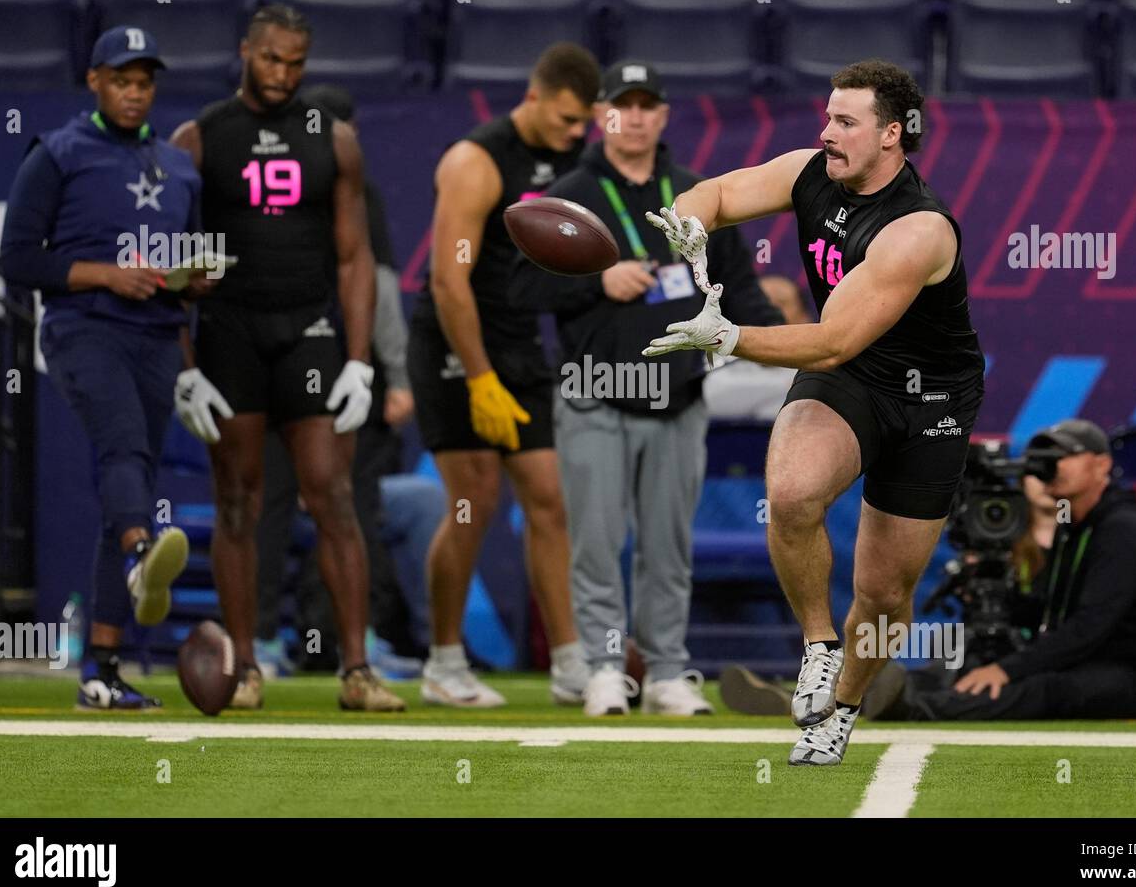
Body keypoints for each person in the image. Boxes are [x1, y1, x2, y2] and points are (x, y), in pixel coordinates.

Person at [641, 60, 985, 765]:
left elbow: (831, 341)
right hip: (855, 379)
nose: (827, 133)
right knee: (793, 493)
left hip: (929, 399)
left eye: (846, 122)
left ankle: (845, 709)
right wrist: (690, 223)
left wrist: (730, 337)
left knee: (885, 592)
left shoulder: (919, 230)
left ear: (892, 135)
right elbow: (721, 190)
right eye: (828, 117)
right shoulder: (812, 173)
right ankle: (819, 647)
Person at [509, 60, 782, 716]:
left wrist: (808, 347)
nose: (633, 118)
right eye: (621, 106)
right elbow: (518, 290)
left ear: (663, 116)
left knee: (667, 547)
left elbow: (741, 291)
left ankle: (665, 671)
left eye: (645, 106)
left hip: (678, 396)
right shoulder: (568, 194)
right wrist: (593, 282)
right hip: (594, 391)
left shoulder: (696, 194)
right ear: (604, 115)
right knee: (598, 544)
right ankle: (605, 667)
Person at [168, 4, 403, 711]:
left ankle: (357, 671)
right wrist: (184, 367)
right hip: (231, 333)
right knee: (237, 501)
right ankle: (245, 668)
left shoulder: (334, 139)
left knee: (333, 495)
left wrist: (361, 361)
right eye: (271, 59)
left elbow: (356, 257)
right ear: (246, 51)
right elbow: (175, 260)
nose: (282, 75)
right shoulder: (199, 139)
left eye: (295, 63)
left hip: (309, 331)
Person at [0, 26, 202, 709]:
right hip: (85, 328)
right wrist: (104, 276)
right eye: (122, 79)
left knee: (132, 478)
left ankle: (101, 670)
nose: (134, 92)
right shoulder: (58, 153)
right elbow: (19, 257)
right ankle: (143, 552)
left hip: (157, 334)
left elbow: (192, 258)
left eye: (144, 82)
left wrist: (194, 281)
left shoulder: (179, 168)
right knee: (124, 448)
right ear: (94, 81)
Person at [406, 43, 600, 707]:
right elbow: (446, 280)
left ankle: (571, 663)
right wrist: (480, 379)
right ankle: (444, 661)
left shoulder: (574, 158)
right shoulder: (475, 161)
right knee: (474, 498)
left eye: (584, 124)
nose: (577, 134)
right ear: (535, 95)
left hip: (518, 340)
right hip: (452, 340)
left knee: (549, 498)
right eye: (568, 119)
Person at [250, 83, 425, 680]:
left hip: (285, 363)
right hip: (346, 370)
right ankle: (349, 641)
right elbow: (375, 295)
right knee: (347, 506)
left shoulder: (270, 187)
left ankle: (278, 642)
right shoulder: (356, 188)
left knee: (275, 506)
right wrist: (396, 374)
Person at [862, 419, 1136, 721]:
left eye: (1064, 454)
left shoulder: (1124, 530)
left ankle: (917, 709)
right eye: (1045, 455)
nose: (1051, 464)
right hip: (1092, 660)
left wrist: (1006, 670)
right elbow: (1052, 608)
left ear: (1102, 464)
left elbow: (1090, 626)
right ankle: (872, 692)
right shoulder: (1073, 527)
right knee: (983, 660)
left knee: (1046, 686)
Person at [719, 470, 1059, 715]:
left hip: (1036, 657)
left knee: (956, 688)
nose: (1047, 480)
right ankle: (806, 696)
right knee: (935, 672)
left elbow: (1083, 620)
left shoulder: (1085, 534)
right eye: (1039, 470)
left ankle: (885, 703)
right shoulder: (1001, 536)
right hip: (982, 651)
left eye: (1056, 467)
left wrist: (1008, 668)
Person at [702, 274, 812, 421]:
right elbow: (708, 397)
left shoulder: (816, 363)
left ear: (805, 317)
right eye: (760, 304)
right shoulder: (719, 355)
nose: (767, 312)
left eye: (779, 303)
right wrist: (791, 388)